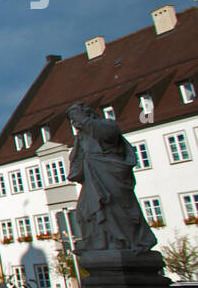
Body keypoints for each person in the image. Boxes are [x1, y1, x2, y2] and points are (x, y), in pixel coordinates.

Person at [66, 102, 155, 252]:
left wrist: (86, 123)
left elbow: (108, 135)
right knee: (85, 211)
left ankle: (123, 241)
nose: (74, 123)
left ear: (85, 114)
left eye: (75, 118)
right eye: (72, 120)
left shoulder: (106, 125)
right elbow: (77, 162)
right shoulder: (81, 137)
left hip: (109, 173)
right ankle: (98, 242)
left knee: (114, 208)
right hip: (92, 178)